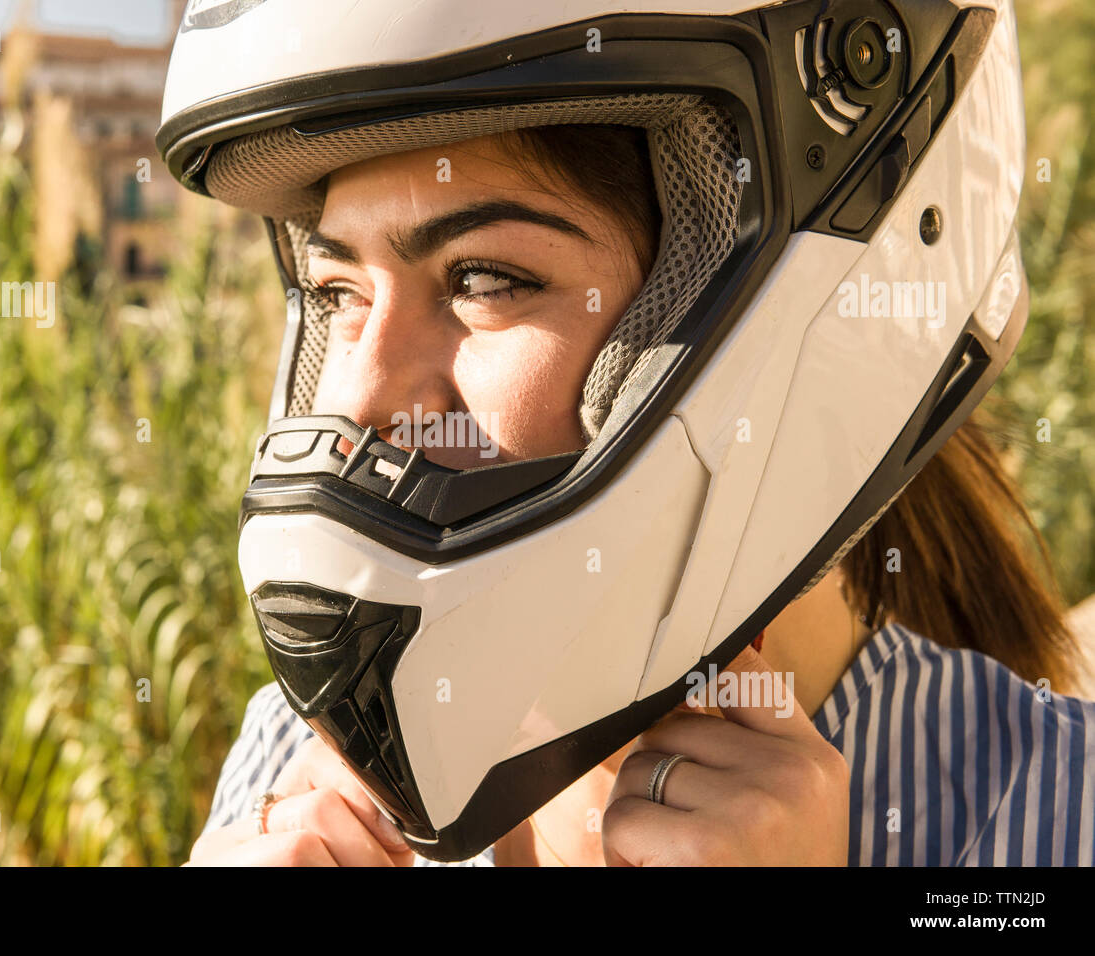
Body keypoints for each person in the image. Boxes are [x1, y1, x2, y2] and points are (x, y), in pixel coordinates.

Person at [158, 0, 1094, 865]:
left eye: (484, 280)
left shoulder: (1048, 810)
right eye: (339, 293)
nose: (359, 402)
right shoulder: (291, 774)